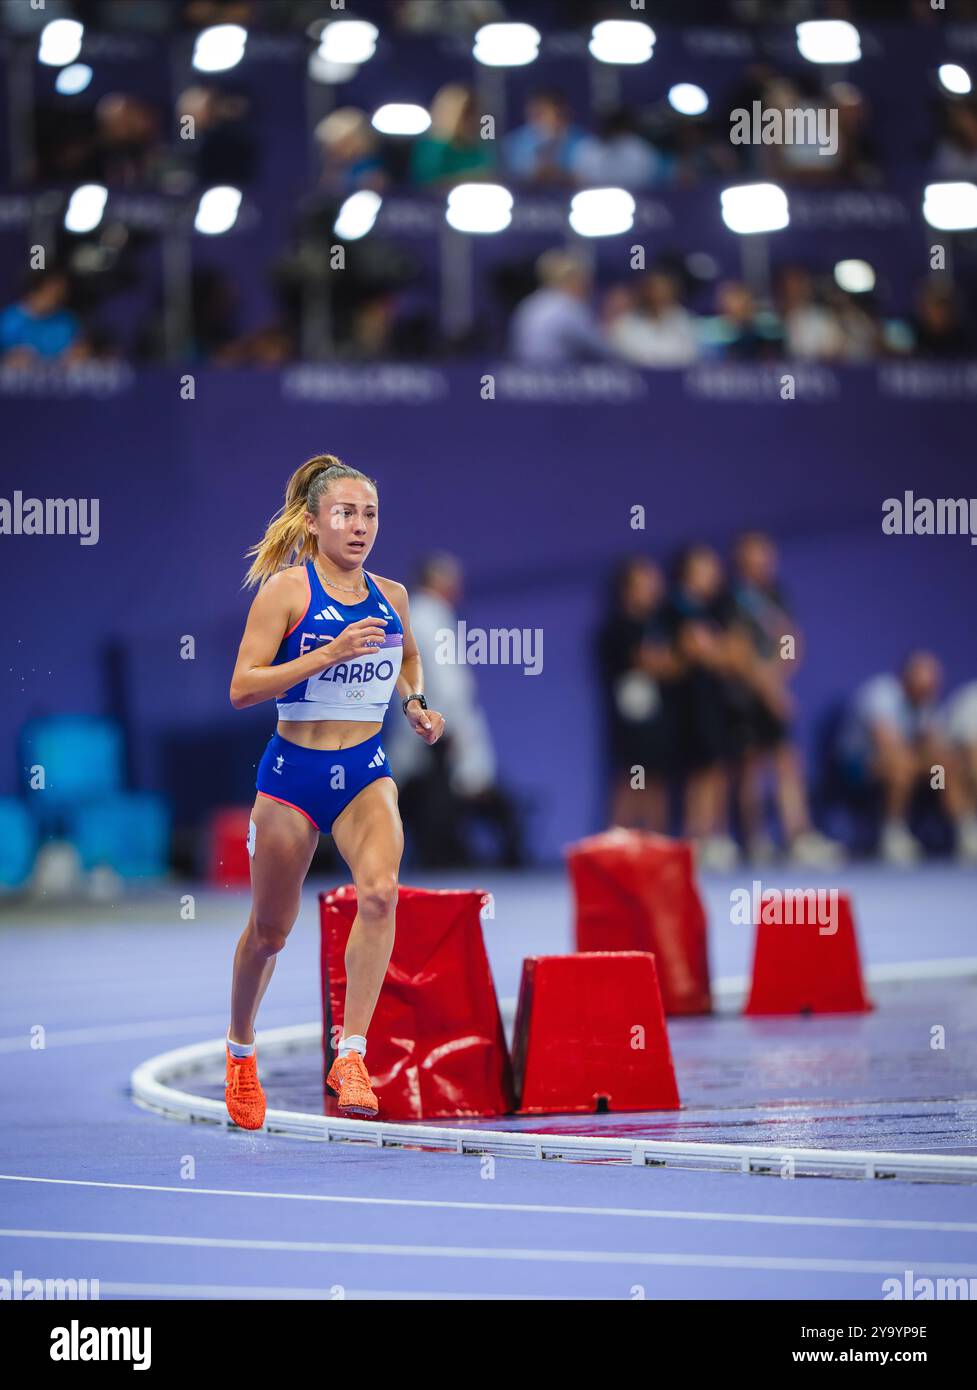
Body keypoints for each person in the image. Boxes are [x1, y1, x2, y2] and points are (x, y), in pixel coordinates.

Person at [226, 455, 445, 1127]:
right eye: (345, 514)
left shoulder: (393, 596)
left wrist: (414, 701)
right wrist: (326, 653)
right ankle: (239, 1052)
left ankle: (350, 1053)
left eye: (369, 514)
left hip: (364, 776)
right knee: (270, 932)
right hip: (292, 778)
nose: (358, 526)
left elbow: (406, 655)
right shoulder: (286, 591)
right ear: (316, 521)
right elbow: (241, 688)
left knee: (380, 894)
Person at [389, 553, 524, 867]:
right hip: (435, 728)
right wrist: (452, 726)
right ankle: (443, 860)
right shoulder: (431, 617)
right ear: (437, 581)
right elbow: (448, 683)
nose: (458, 588)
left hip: (422, 725)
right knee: (441, 799)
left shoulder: (416, 615)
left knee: (429, 798)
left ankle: (439, 856)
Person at [727, 532, 843, 865]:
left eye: (767, 557)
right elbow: (738, 652)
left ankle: (798, 836)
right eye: (756, 557)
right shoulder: (732, 598)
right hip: (742, 697)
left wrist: (779, 676)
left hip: (772, 690)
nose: (764, 564)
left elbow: (789, 639)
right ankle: (756, 841)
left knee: (787, 761)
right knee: (750, 765)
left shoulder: (776, 595)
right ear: (742, 561)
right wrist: (769, 688)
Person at [840, 651, 977, 864]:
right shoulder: (882, 692)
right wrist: (925, 756)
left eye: (933, 683)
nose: (929, 688)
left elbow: (933, 745)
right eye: (924, 682)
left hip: (904, 758)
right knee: (900, 764)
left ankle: (965, 831)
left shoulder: (924, 704)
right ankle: (892, 834)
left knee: (943, 766)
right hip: (856, 766)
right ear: (908, 676)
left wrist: (938, 761)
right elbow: (888, 744)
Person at [663, 544, 741, 870]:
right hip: (688, 704)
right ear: (688, 573)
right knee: (699, 771)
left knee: (717, 767)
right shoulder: (677, 608)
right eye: (705, 567)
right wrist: (720, 652)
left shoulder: (713, 609)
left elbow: (734, 654)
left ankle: (715, 835)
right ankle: (695, 839)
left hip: (715, 701)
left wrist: (721, 652)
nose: (714, 573)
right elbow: (700, 651)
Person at [595, 557, 677, 832]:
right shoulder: (617, 628)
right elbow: (650, 662)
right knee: (631, 779)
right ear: (627, 589)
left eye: (655, 584)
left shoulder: (658, 625)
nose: (653, 590)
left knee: (657, 780)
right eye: (645, 584)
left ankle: (654, 844)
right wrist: (686, 657)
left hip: (658, 720)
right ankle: (617, 843)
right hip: (630, 723)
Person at [509, 249, 613, 364]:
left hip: (523, 374)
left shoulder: (529, 302)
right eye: (581, 280)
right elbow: (602, 349)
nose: (586, 287)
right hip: (554, 376)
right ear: (570, 279)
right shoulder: (568, 306)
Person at [503, 89, 584, 186]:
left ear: (560, 113)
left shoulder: (583, 143)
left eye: (542, 112)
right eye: (532, 112)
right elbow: (512, 177)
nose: (535, 118)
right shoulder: (514, 142)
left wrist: (558, 173)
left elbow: (584, 178)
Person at [0, 270, 81, 364]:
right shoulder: (8, 320)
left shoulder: (68, 321)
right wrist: (7, 358)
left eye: (62, 291)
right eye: (53, 290)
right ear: (35, 290)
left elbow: (80, 352)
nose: (60, 295)